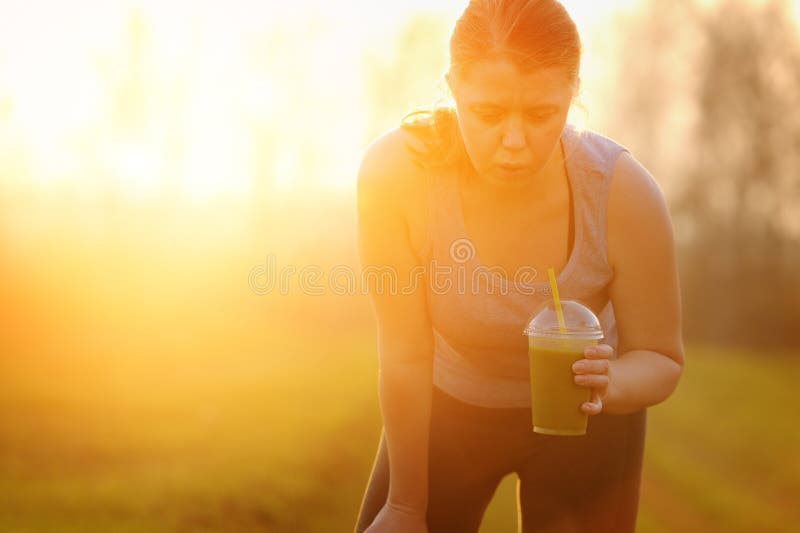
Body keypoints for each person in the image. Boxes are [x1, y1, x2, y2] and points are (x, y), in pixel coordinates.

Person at [353, 1, 684, 532]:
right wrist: (408, 506)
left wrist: (609, 382)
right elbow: (405, 354)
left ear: (572, 93)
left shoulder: (623, 193)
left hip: (586, 423)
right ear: (453, 88)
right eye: (487, 113)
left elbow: (661, 357)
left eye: (539, 114)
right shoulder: (396, 176)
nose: (513, 141)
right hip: (449, 405)